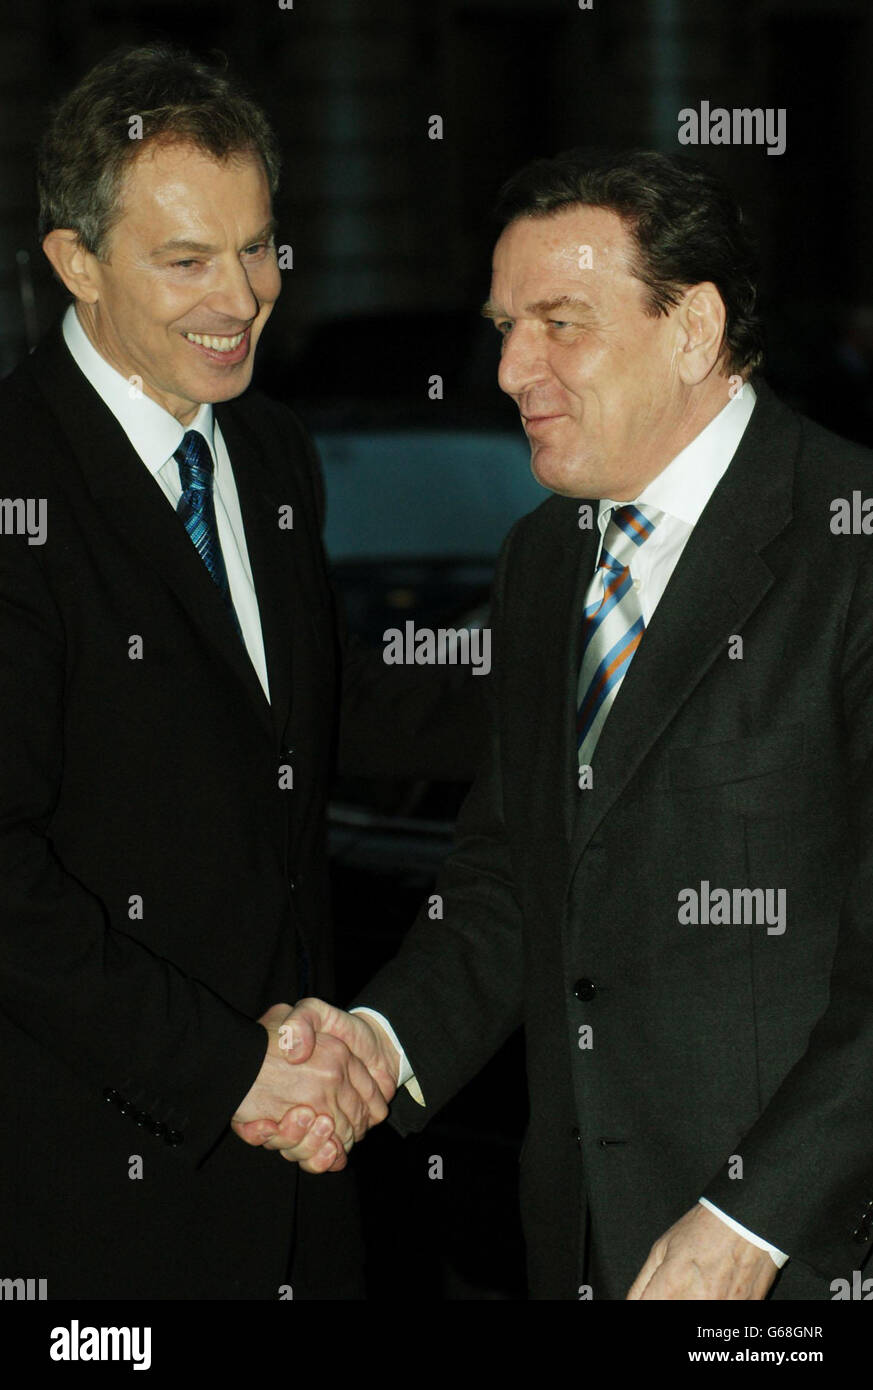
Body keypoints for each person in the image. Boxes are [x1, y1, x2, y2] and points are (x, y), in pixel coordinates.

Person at [245, 149, 873, 1301]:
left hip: (796, 1264)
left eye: (559, 323)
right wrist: (379, 1046)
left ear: (694, 330)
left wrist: (752, 1221)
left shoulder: (850, 548)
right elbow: (507, 883)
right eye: (504, 324)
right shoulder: (542, 560)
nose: (509, 367)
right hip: (577, 1245)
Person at [0, 41, 486, 1300]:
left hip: (300, 1179)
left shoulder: (267, 452)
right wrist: (228, 1069)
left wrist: (590, 681)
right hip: (94, 1191)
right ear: (75, 263)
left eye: (261, 246)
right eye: (187, 260)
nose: (244, 295)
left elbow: (313, 715)